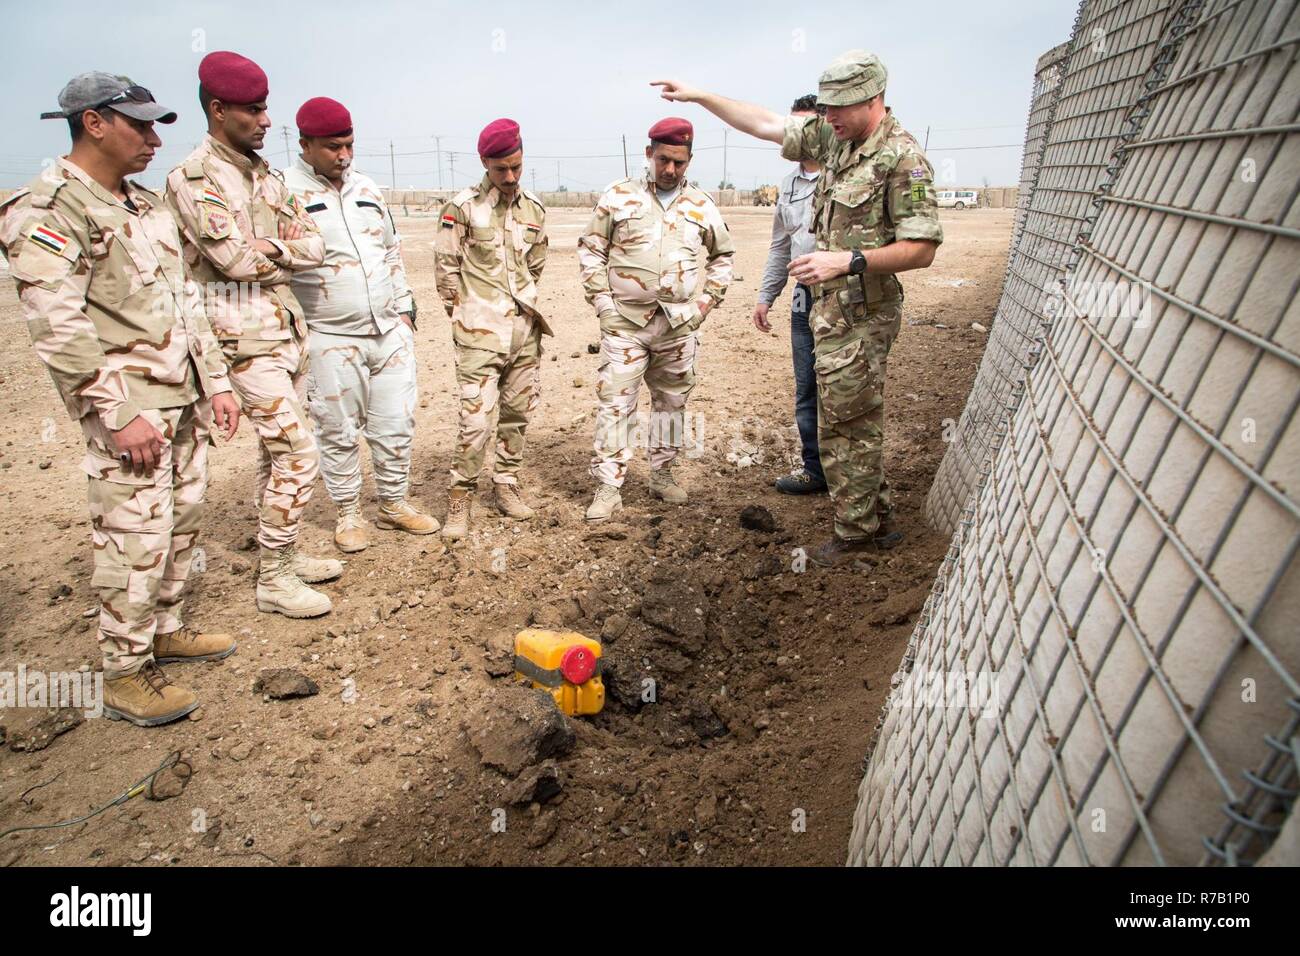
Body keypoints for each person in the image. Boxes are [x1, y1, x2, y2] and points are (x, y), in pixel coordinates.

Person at [0, 73, 240, 725]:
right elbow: (58, 324)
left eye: (159, 124)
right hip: (130, 413)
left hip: (181, 401)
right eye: (141, 124)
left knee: (180, 523)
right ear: (95, 123)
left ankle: (165, 629)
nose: (155, 138)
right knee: (132, 538)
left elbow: (187, 299)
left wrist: (214, 380)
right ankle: (125, 670)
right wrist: (116, 411)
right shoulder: (48, 207)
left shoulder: (144, 204)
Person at [651, 50, 943, 565]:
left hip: (863, 309)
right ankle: (875, 516)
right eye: (825, 107)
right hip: (829, 310)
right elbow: (765, 122)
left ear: (874, 100)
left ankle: (857, 535)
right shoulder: (836, 138)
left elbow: (922, 249)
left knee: (847, 421)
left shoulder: (903, 159)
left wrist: (847, 261)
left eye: (840, 107)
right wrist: (700, 95)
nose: (828, 117)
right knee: (845, 414)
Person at [165, 51, 342, 616]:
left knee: (275, 455)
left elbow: (317, 246)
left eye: (268, 109)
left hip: (283, 333)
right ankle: (275, 580)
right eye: (255, 110)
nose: (268, 121)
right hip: (238, 342)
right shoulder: (193, 179)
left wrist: (276, 251)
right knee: (297, 452)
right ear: (218, 110)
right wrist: (282, 254)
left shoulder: (264, 175)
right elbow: (235, 262)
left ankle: (279, 560)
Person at [282, 96, 438, 553]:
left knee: (395, 424)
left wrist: (406, 309)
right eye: (332, 147)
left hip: (388, 332)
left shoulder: (367, 189)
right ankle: (348, 512)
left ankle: (394, 503)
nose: (344, 156)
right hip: (330, 336)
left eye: (349, 145)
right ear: (305, 143)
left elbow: (391, 250)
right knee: (337, 428)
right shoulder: (282, 192)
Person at [577, 117, 734, 520]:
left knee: (671, 404)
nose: (670, 170)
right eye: (663, 159)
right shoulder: (618, 196)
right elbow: (591, 250)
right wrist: (603, 304)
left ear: (689, 160)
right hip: (626, 324)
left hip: (678, 326)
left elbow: (723, 257)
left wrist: (705, 304)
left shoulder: (701, 205)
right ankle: (609, 487)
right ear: (648, 154)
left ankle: (662, 474)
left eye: (679, 163)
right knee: (616, 404)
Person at [434, 119, 549, 539]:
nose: (510, 177)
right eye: (501, 169)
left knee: (517, 415)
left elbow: (536, 266)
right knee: (475, 421)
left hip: (524, 331)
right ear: (484, 163)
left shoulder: (535, 208)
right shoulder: (461, 207)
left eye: (516, 167)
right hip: (479, 335)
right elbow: (446, 271)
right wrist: (467, 317)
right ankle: (460, 499)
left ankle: (506, 485)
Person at [754, 94, 827, 496]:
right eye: (790, 126)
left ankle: (851, 476)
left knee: (844, 390)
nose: (793, 135)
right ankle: (814, 469)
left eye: (803, 126)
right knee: (806, 387)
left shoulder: (842, 174)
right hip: (804, 297)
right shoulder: (788, 184)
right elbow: (781, 245)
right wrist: (766, 296)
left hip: (844, 297)